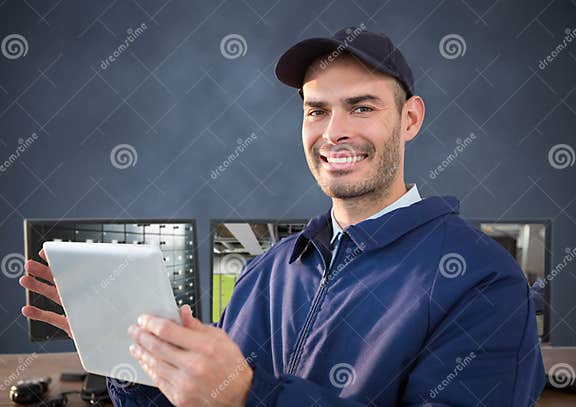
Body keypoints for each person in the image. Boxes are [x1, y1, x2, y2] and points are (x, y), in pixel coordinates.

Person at [20, 26, 546, 406]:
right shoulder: (264, 271)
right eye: (316, 110)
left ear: (409, 119)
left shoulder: (482, 283)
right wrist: (132, 358)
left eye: (361, 107)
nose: (334, 131)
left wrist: (250, 394)